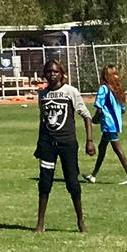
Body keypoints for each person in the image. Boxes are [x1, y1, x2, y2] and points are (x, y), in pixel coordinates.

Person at [33, 60, 91, 232]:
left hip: (67, 144)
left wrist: (89, 140)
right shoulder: (43, 95)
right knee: (45, 182)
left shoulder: (70, 92)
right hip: (47, 144)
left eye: (55, 71)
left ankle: (80, 220)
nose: (52, 75)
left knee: (72, 182)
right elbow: (43, 120)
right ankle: (40, 223)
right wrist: (40, 144)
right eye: (49, 72)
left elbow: (86, 116)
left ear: (61, 73)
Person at [84, 67, 127, 185]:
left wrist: (96, 118)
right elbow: (123, 109)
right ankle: (93, 175)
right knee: (102, 147)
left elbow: (99, 106)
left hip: (108, 123)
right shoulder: (117, 90)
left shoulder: (104, 88)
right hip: (115, 122)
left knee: (117, 149)